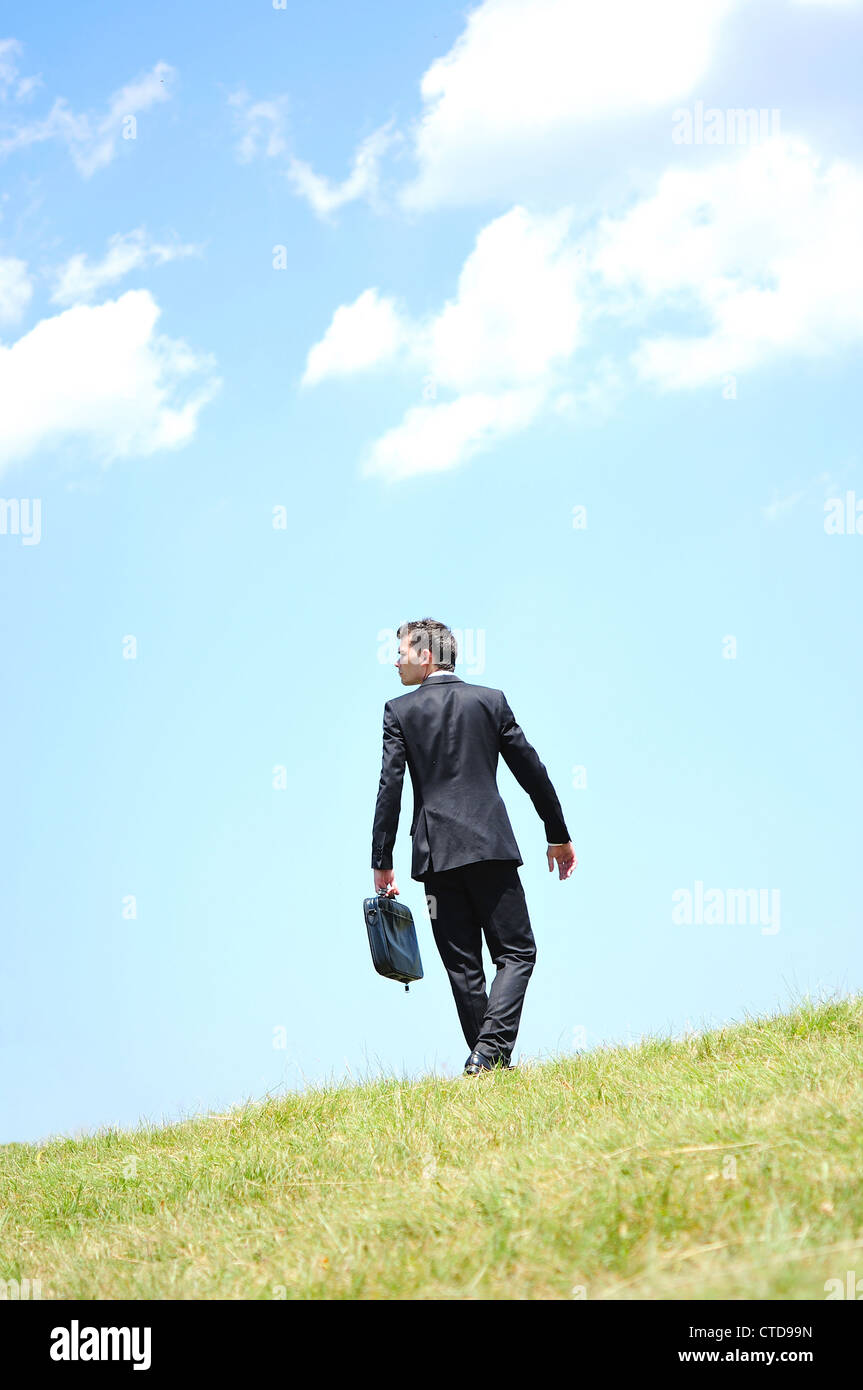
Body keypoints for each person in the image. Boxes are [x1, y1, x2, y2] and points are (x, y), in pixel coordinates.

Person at [371, 618, 576, 1077]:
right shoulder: (490, 702)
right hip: (490, 847)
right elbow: (532, 770)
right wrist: (557, 833)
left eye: (401, 650)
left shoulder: (399, 711)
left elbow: (390, 786)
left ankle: (487, 1061)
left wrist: (381, 859)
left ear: (427, 656)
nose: (394, 659)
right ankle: (489, 1057)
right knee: (517, 953)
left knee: (463, 968)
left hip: (434, 856)